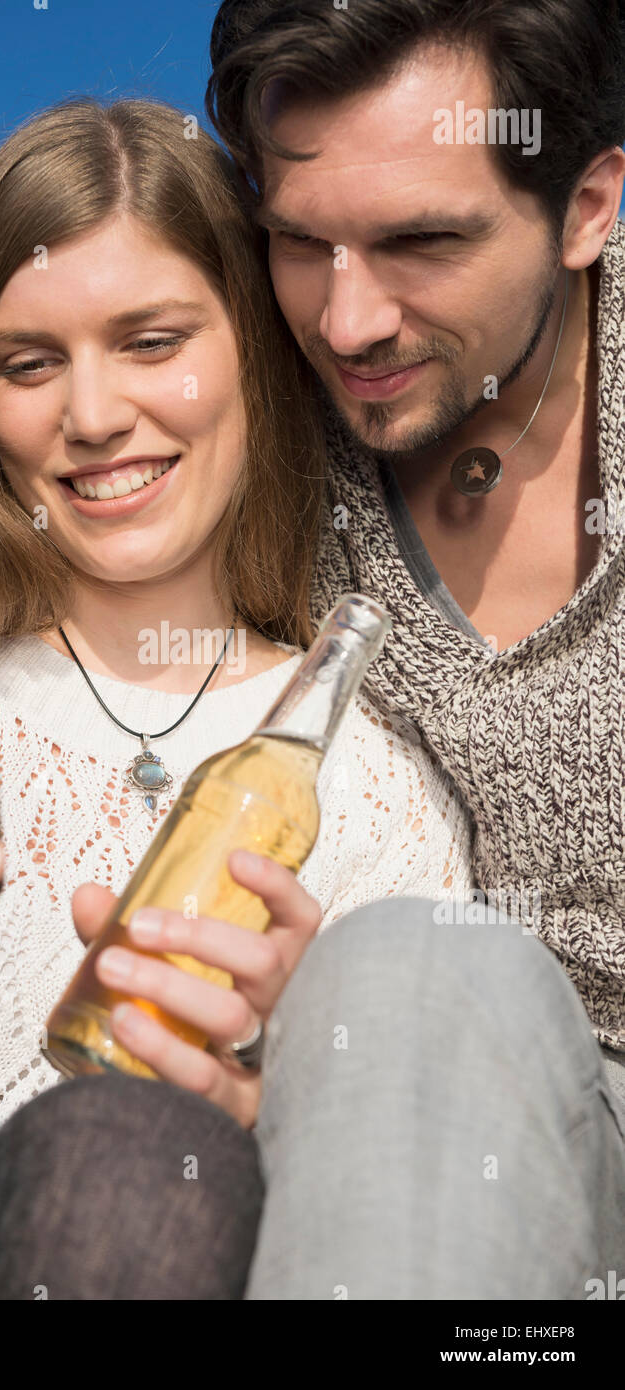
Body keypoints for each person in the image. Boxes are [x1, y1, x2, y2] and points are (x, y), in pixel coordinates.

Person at [0, 97, 472, 1299]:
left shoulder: (372, 800)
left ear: (257, 344)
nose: (90, 417)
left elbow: (389, 1235)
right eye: (28, 363)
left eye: (151, 341)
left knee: (146, 1148)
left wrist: (280, 1096)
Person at [198, 0, 625, 1296]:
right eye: (296, 244)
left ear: (588, 209)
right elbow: (39, 458)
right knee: (405, 963)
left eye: (420, 243)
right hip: (431, 1130)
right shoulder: (257, 398)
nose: (346, 323)